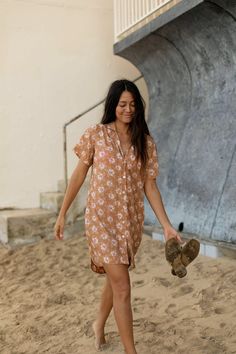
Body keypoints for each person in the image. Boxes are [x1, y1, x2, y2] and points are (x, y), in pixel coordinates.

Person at [54, 79, 182, 354]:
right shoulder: (96, 135)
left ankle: (98, 323)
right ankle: (130, 351)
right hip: (100, 219)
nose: (128, 109)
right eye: (123, 104)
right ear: (113, 105)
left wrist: (167, 226)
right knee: (123, 286)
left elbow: (150, 186)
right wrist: (63, 213)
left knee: (116, 279)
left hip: (130, 221)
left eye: (133, 105)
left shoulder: (144, 142)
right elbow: (79, 175)